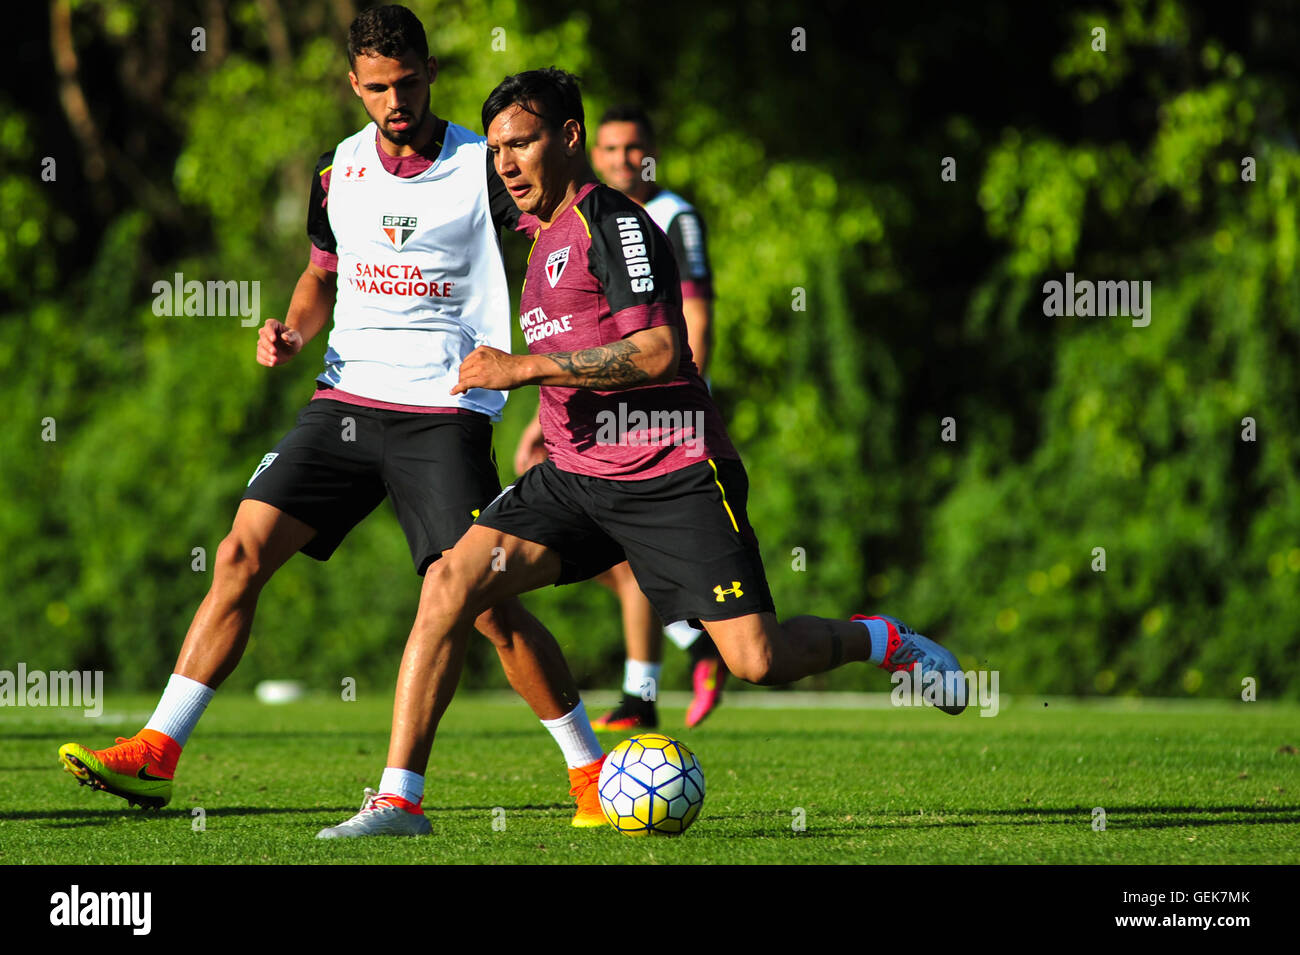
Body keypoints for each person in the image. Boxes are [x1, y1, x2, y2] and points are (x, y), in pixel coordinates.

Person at [319, 66, 966, 838]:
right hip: (574, 478)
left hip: (673, 474)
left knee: (755, 658)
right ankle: (400, 801)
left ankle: (885, 639)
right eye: (496, 150)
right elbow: (427, 170)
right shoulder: (528, 222)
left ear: (569, 138)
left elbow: (661, 350)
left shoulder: (616, 225)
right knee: (451, 580)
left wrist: (526, 368)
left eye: (521, 143)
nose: (506, 164)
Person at [58, 6, 608, 835]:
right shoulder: (336, 171)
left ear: (430, 73)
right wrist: (289, 328)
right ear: (354, 85)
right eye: (377, 87)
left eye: (409, 82)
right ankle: (158, 749)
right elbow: (322, 275)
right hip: (345, 402)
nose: (395, 101)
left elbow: (565, 233)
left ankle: (591, 772)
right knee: (241, 549)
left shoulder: (481, 166)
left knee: (484, 603)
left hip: (444, 409)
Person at [514, 105, 729, 732]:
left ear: (651, 152)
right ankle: (681, 655)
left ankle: (662, 675)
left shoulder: (672, 217)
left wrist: (681, 399)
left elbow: (694, 320)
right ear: (590, 151)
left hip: (662, 423)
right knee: (611, 558)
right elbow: (568, 329)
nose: (621, 161)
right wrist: (540, 418)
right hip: (590, 414)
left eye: (633, 149)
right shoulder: (571, 219)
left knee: (643, 561)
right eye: (609, 150)